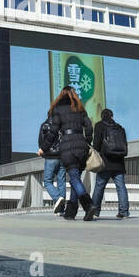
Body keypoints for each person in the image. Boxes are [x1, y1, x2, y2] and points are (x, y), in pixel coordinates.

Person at [50, 85, 95, 221]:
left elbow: (53, 131)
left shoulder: (58, 110)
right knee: (76, 179)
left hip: (67, 147)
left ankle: (88, 205)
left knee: (74, 178)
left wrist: (45, 146)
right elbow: (89, 127)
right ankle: (71, 211)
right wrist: (87, 141)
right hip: (81, 146)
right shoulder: (80, 109)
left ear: (61, 95)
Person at [91, 107, 130, 219]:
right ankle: (124, 212)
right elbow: (124, 146)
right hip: (119, 163)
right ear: (112, 116)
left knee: (99, 186)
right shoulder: (120, 128)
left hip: (105, 162)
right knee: (121, 187)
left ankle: (95, 210)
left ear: (102, 116)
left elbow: (96, 145)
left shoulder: (99, 126)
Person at [40, 109, 68, 215]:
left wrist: (44, 152)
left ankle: (58, 198)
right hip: (62, 157)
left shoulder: (45, 125)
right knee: (61, 181)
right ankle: (61, 210)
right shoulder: (62, 126)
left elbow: (41, 142)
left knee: (47, 182)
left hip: (50, 157)